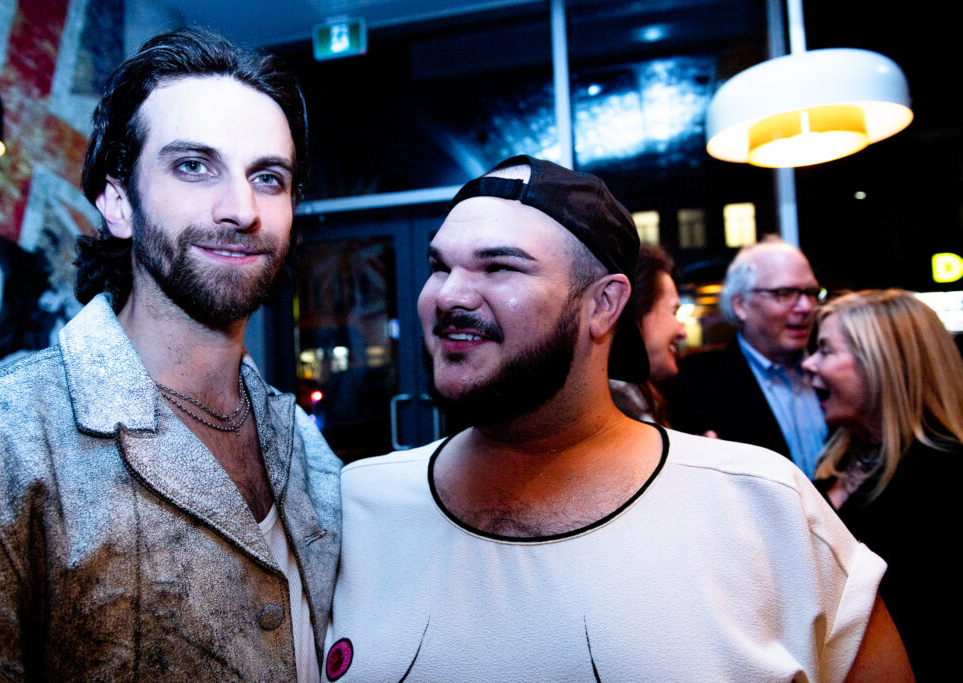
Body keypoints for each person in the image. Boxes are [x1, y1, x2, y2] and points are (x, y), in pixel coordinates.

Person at [321, 155, 911, 682]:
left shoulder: (764, 505)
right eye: (439, 266)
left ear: (603, 304)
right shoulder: (355, 507)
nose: (449, 296)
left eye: (499, 267)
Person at [0, 29, 341, 681]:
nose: (241, 210)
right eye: (194, 166)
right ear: (118, 201)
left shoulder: (306, 447)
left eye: (268, 177)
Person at [804, 289, 963, 680]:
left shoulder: (944, 475)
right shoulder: (838, 460)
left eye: (825, 350)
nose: (808, 364)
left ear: (879, 365)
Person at [668, 239, 828, 476]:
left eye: (811, 293)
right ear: (741, 305)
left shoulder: (837, 370)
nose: (806, 307)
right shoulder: (697, 385)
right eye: (784, 294)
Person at [609, 244, 686, 423]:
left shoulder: (629, 400)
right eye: (674, 311)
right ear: (638, 311)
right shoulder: (616, 412)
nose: (683, 332)